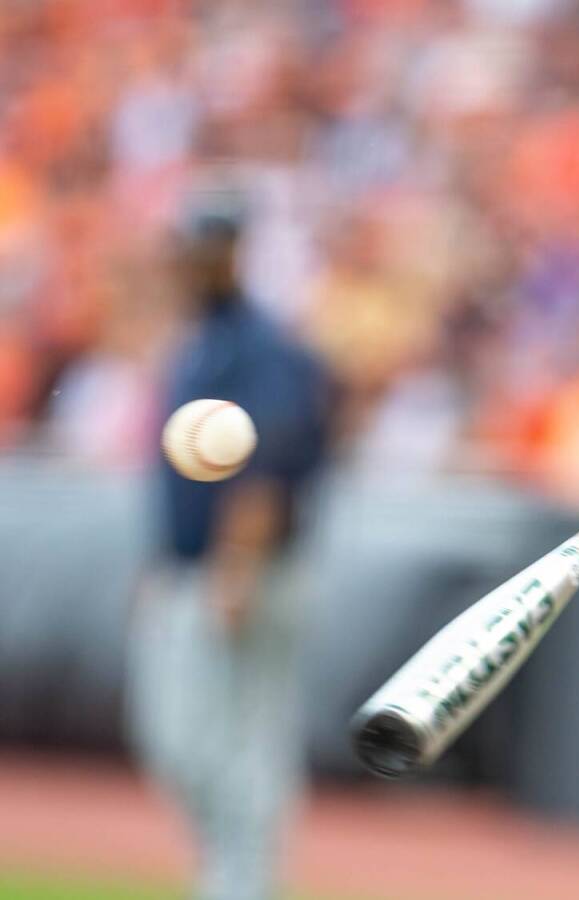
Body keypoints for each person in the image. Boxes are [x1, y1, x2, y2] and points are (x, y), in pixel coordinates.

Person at [126, 193, 333, 900]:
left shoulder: (261, 344)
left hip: (247, 573)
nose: (189, 263)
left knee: (243, 746)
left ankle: (242, 887)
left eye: (205, 248)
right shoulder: (201, 338)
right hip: (192, 567)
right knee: (180, 745)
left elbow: (265, 463)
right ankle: (228, 879)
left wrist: (237, 565)